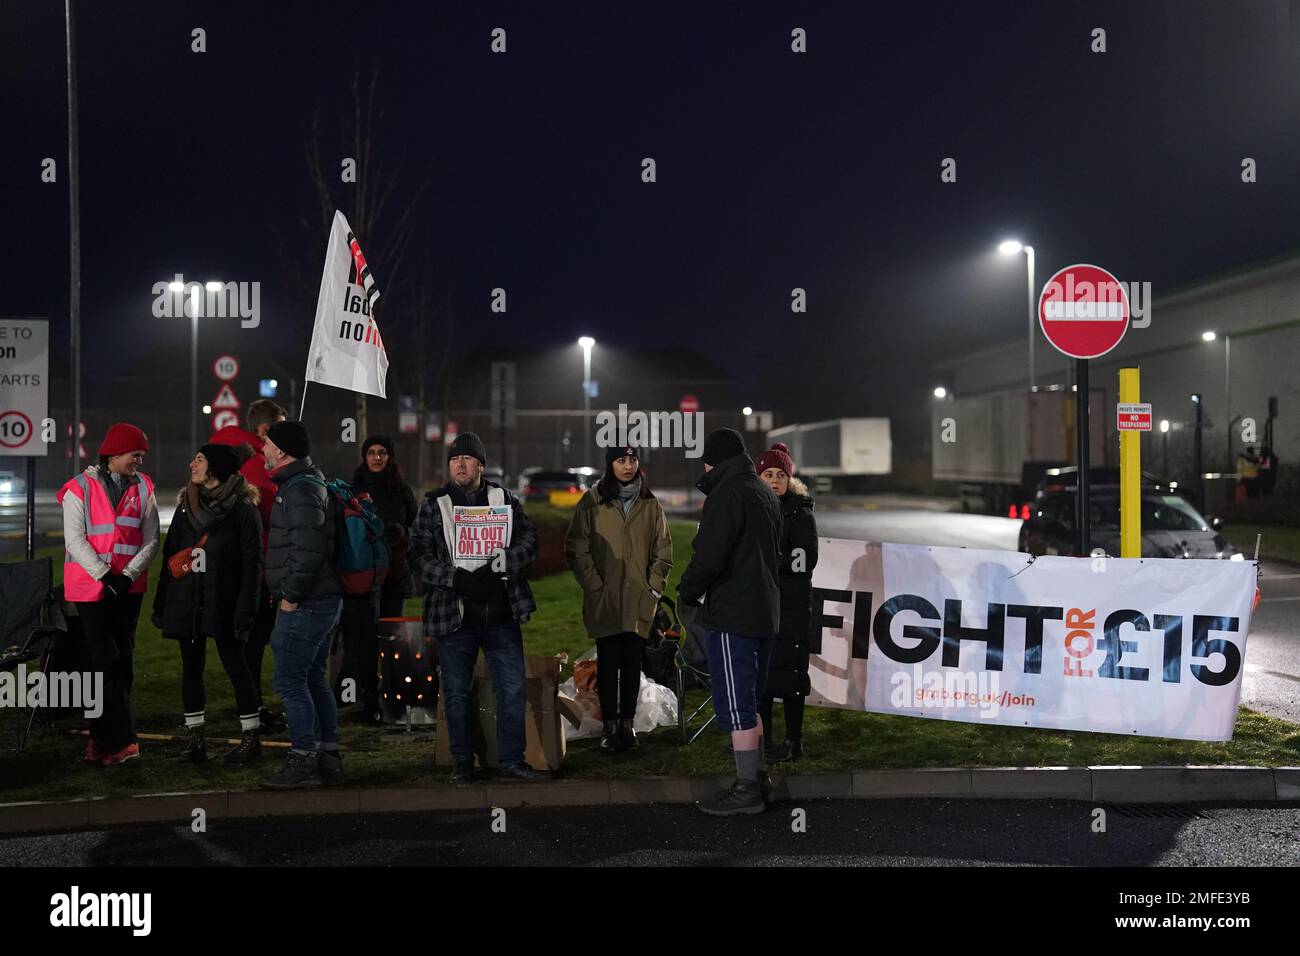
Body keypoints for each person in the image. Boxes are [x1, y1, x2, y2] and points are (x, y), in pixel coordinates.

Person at [408, 432, 544, 783]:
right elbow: (417, 555)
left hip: (500, 613)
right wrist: (455, 579)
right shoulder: (433, 504)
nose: (460, 465)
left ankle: (512, 761)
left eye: (467, 459)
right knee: (455, 691)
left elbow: (530, 540)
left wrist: (504, 562)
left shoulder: (505, 499)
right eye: (455, 459)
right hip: (454, 615)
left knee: (512, 688)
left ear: (480, 465)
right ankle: (462, 762)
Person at [678, 428, 782, 815]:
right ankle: (760, 779)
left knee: (737, 704)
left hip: (733, 614)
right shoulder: (762, 492)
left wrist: (687, 591)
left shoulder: (726, 495)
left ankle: (746, 790)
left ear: (712, 461)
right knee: (752, 700)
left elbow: (709, 556)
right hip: (765, 612)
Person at [153, 444, 264, 764]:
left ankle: (250, 740)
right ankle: (195, 742)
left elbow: (252, 564)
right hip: (188, 599)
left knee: (236, 666)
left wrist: (246, 609)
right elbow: (169, 555)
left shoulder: (244, 511)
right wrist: (162, 603)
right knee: (191, 669)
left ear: (215, 468)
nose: (192, 465)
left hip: (225, 601)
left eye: (199, 460)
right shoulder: (186, 507)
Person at [57, 422, 160, 766]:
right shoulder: (78, 489)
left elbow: (151, 539)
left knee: (121, 662)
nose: (139, 462)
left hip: (126, 588)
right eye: (135, 455)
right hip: (92, 588)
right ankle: (113, 739)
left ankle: (107, 741)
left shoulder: (144, 487)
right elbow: (74, 540)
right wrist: (106, 576)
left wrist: (127, 576)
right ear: (114, 453)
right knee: (106, 662)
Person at [564, 444, 673, 753]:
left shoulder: (650, 503)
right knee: (608, 664)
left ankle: (627, 726)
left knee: (632, 663)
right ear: (610, 465)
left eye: (632, 460)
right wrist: (594, 585)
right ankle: (610, 729)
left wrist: (652, 587)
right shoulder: (592, 501)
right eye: (621, 460)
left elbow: (663, 550)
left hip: (639, 599)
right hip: (606, 598)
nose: (627, 466)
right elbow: (576, 547)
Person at [257, 421, 344, 790]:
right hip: (320, 599)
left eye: (266, 443)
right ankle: (328, 757)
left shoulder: (299, 490)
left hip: (307, 602)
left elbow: (307, 552)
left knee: (290, 681)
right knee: (312, 677)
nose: (262, 449)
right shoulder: (302, 483)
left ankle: (303, 757)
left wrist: (290, 597)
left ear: (282, 450)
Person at [210, 398, 288, 733]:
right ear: (266, 429)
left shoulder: (218, 456)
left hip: (222, 563)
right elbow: (269, 510)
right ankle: (252, 709)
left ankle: (247, 708)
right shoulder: (256, 462)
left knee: (236, 640)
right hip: (256, 564)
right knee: (255, 641)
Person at [337, 434, 418, 722]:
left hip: (394, 578)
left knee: (392, 642)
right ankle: (370, 702)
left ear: (390, 456)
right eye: (371, 452)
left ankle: (396, 701)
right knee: (364, 642)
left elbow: (416, 526)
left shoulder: (401, 490)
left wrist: (403, 534)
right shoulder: (354, 489)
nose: (376, 457)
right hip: (362, 580)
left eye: (382, 452)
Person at [754, 442, 818, 763]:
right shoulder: (753, 509)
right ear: (759, 476)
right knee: (762, 678)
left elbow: (804, 559)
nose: (775, 480)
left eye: (781, 474)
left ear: (789, 479)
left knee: (792, 677)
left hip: (792, 607)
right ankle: (762, 742)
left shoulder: (801, 512)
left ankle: (794, 741)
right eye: (768, 474)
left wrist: (765, 561)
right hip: (761, 606)